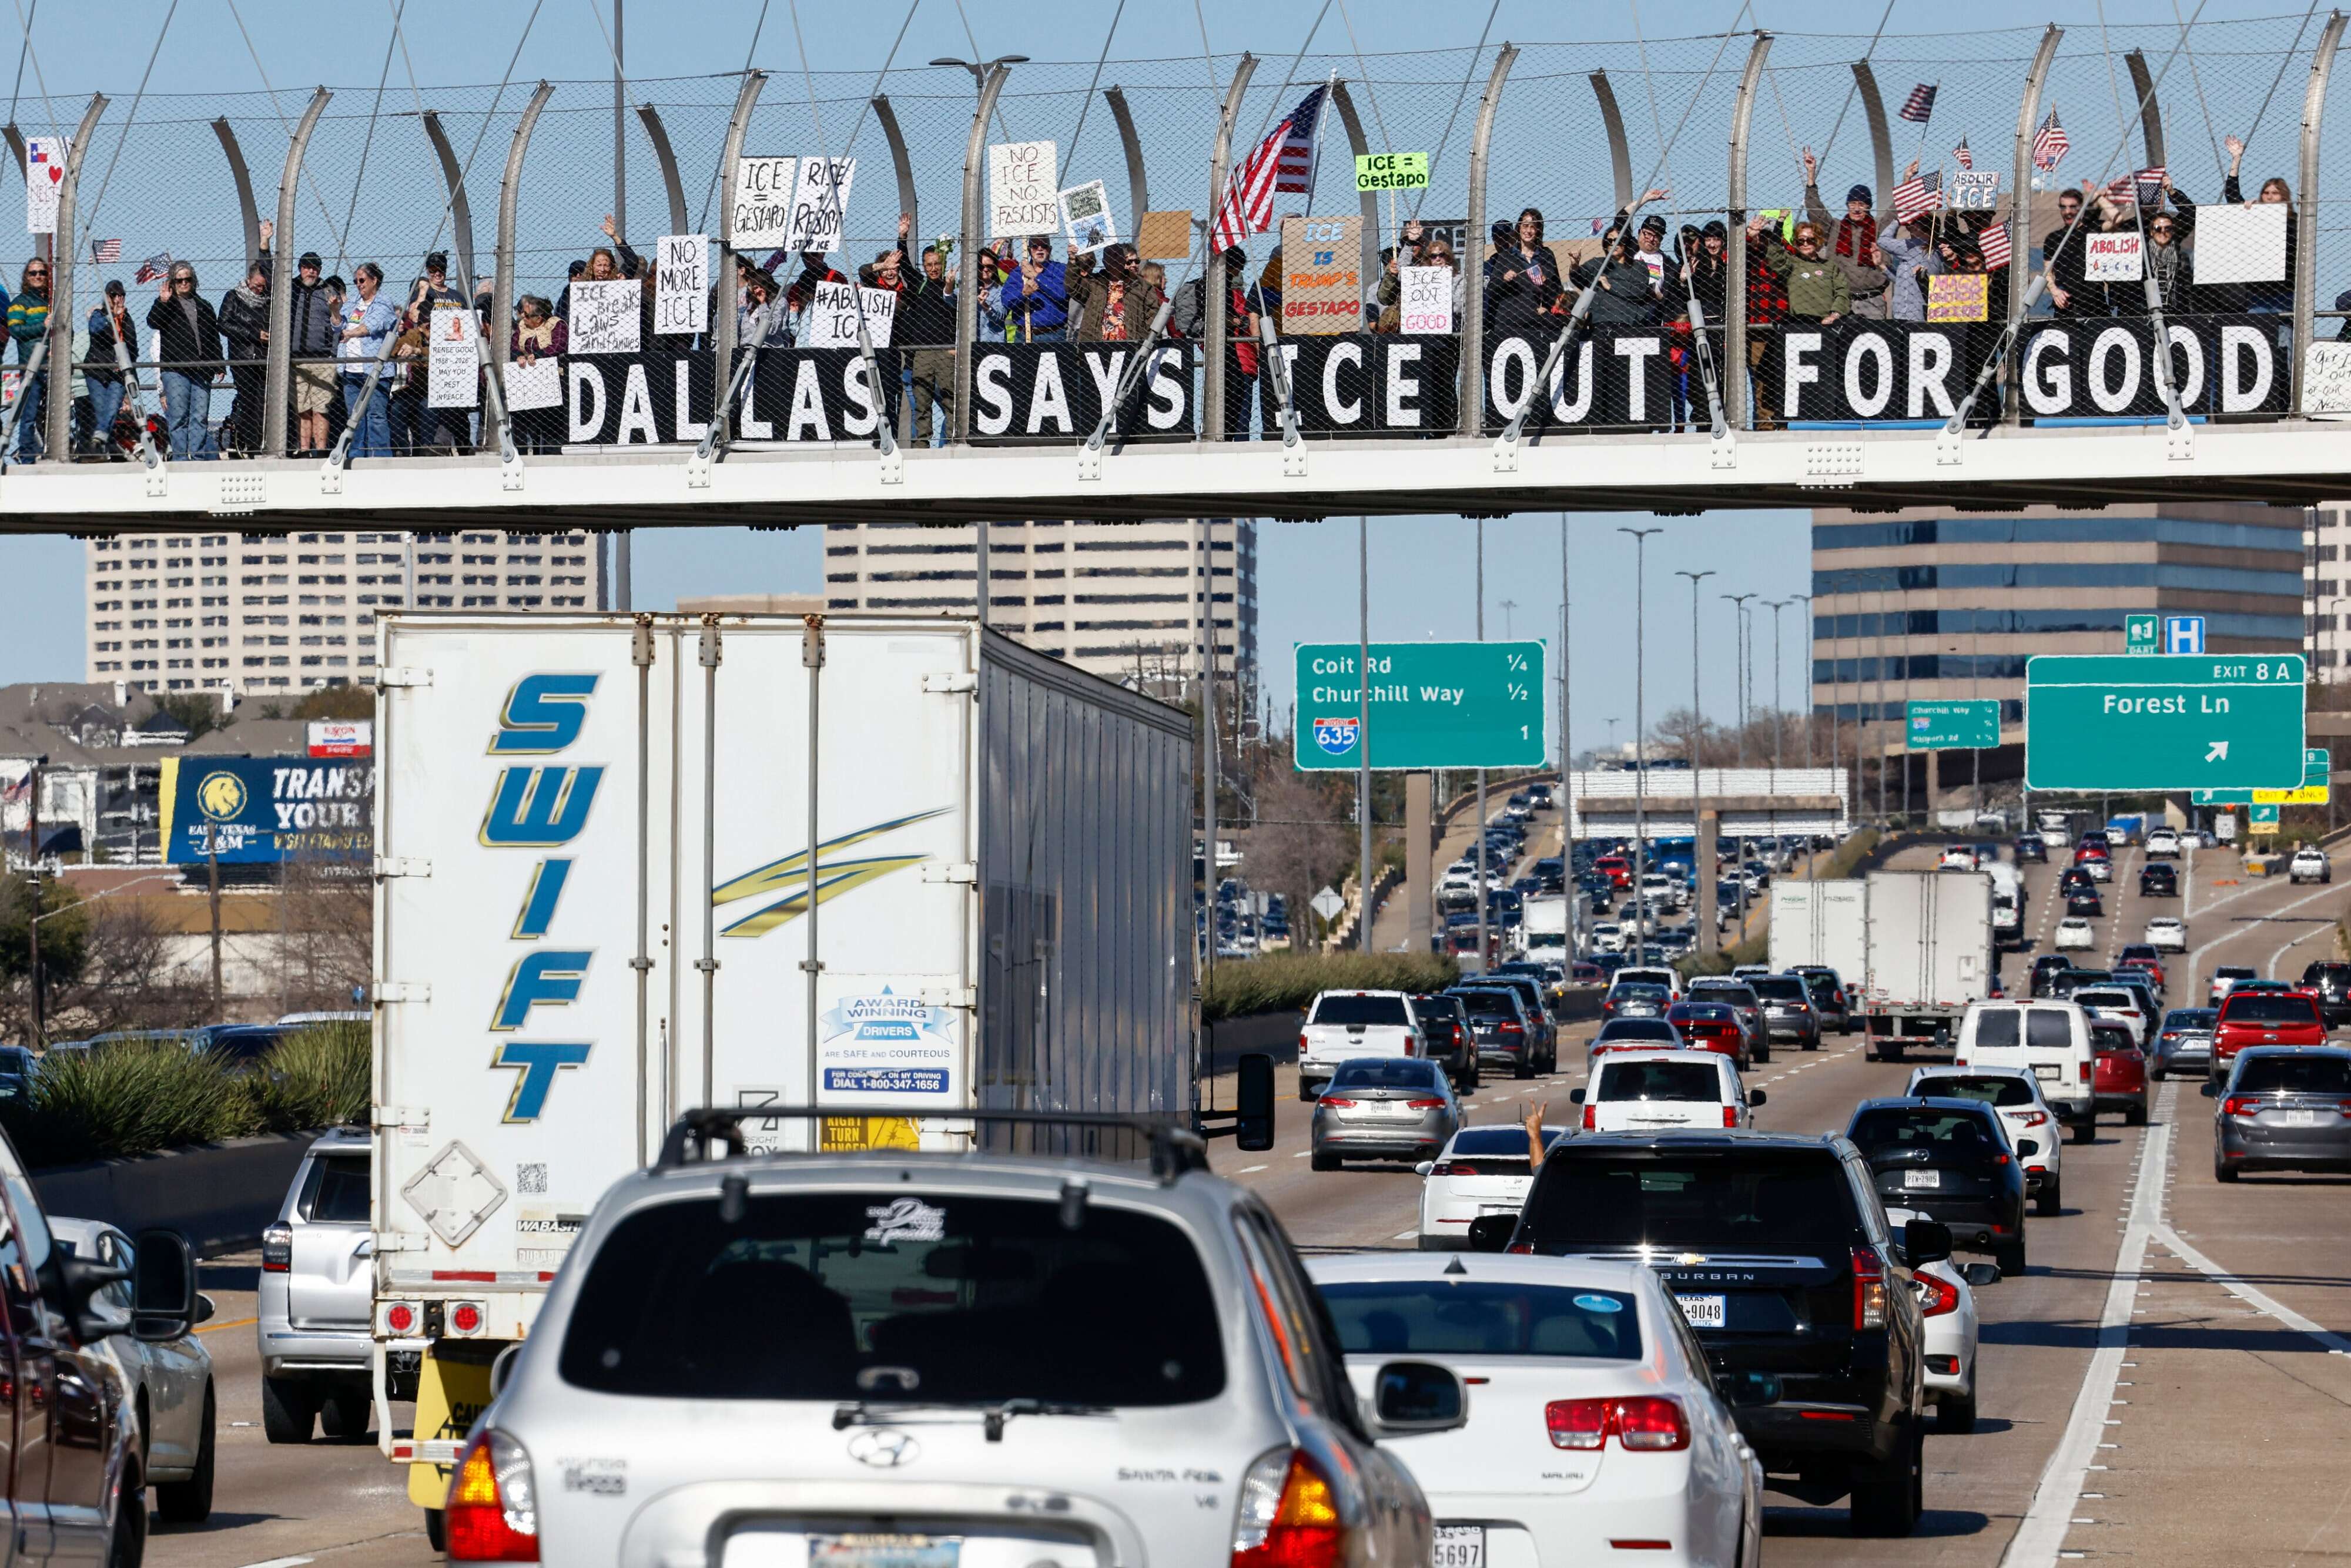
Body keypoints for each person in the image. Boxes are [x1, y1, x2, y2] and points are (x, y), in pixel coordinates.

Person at [1801, 150, 1891, 319]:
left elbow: (1895, 213)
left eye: (1862, 204)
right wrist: (1811, 177)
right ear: (1848, 205)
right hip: (1839, 301)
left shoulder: (1879, 227)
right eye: (1853, 203)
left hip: (1872, 301)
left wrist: (1907, 181)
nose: (1857, 208)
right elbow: (1816, 212)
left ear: (1869, 206)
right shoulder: (1835, 227)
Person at [148, 260, 223, 460]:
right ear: (172, 282)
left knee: (200, 417)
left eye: (187, 279)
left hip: (202, 369)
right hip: (175, 370)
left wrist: (219, 363)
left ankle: (197, 457)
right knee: (179, 417)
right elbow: (153, 321)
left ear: (193, 280)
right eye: (179, 280)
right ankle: (181, 459)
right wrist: (162, 302)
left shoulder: (205, 306)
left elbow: (213, 337)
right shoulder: (167, 304)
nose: (183, 284)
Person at [337, 262, 398, 458]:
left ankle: (379, 457)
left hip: (375, 370)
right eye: (356, 281)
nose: (359, 284)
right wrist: (333, 311)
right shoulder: (353, 302)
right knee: (355, 417)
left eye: (362, 280)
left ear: (374, 280)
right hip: (351, 370)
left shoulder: (383, 302)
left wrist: (351, 333)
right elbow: (338, 327)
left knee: (376, 416)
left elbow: (372, 326)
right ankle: (356, 456)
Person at [900, 232, 956, 446]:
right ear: (923, 266)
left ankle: (952, 442)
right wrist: (902, 237)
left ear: (942, 265)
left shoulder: (950, 286)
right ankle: (921, 446)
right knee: (922, 403)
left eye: (936, 264)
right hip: (922, 353)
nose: (933, 268)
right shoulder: (919, 285)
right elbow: (905, 266)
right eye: (928, 264)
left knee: (950, 400)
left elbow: (954, 304)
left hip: (946, 352)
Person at [217, 248, 270, 457]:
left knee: (262, 402)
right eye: (257, 286)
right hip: (243, 357)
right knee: (247, 401)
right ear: (249, 280)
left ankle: (260, 443)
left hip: (264, 358)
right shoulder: (233, 297)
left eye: (262, 287)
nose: (259, 290)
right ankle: (247, 444)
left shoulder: (268, 300)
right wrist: (254, 334)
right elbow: (223, 324)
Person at [286, 249, 339, 455]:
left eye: (315, 268)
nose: (311, 272)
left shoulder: (328, 291)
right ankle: (304, 450)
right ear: (300, 269)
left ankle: (321, 451)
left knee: (321, 408)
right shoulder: (289, 288)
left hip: (323, 359)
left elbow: (338, 323)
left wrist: (334, 309)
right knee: (302, 409)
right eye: (307, 267)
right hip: (296, 359)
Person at [1484, 206, 1565, 339]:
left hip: (1539, 325)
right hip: (1509, 326)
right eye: (1525, 226)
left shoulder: (1546, 256)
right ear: (1519, 228)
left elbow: (1557, 292)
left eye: (1533, 227)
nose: (1528, 231)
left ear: (1539, 231)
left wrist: (1547, 286)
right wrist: (1503, 279)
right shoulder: (1506, 257)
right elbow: (1491, 291)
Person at [1069, 243, 1163, 343]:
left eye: (1117, 255)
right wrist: (1072, 260)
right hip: (1096, 344)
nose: (1114, 259)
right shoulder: (1095, 283)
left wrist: (1144, 337)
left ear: (1124, 259)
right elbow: (1073, 287)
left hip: (1131, 344)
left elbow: (1153, 313)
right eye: (1110, 255)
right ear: (1104, 262)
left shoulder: (1141, 286)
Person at [82, 280, 133, 458]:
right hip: (96, 372)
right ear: (107, 297)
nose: (118, 299)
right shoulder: (99, 314)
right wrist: (112, 317)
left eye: (121, 295)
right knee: (102, 412)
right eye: (113, 295)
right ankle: (112, 451)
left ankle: (101, 445)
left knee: (111, 411)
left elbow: (133, 348)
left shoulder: (127, 319)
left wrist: (126, 362)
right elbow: (94, 329)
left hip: (118, 374)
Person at [510, 293, 565, 454]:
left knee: (549, 425)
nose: (523, 317)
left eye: (527, 315)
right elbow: (514, 346)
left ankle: (551, 455)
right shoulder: (522, 327)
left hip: (552, 380)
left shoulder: (556, 325)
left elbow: (559, 346)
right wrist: (518, 356)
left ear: (539, 318)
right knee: (520, 421)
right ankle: (520, 454)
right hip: (525, 382)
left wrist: (540, 356)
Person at [6, 257, 49, 462]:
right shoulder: (19, 304)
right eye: (33, 273)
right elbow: (15, 330)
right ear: (26, 276)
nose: (38, 276)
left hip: (54, 366)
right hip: (32, 365)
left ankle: (51, 450)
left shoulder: (52, 301)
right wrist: (43, 326)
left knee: (57, 413)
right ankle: (27, 457)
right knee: (29, 414)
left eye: (42, 272)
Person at [2040, 183, 2099, 317]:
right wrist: (2055, 291)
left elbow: (2117, 219)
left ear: (2081, 208)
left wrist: (2097, 196)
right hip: (2065, 305)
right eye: (2064, 207)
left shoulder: (2094, 231)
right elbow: (2047, 272)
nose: (2068, 212)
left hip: (2095, 305)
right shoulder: (2053, 238)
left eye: (2073, 207)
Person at [999, 234, 1069, 343]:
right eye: (1035, 246)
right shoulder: (1018, 273)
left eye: (1044, 246)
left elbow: (1062, 295)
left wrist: (1035, 276)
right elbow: (1007, 300)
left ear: (1050, 249)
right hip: (1024, 336)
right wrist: (1023, 295)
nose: (1040, 249)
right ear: (1029, 250)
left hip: (1055, 336)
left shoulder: (1060, 269)